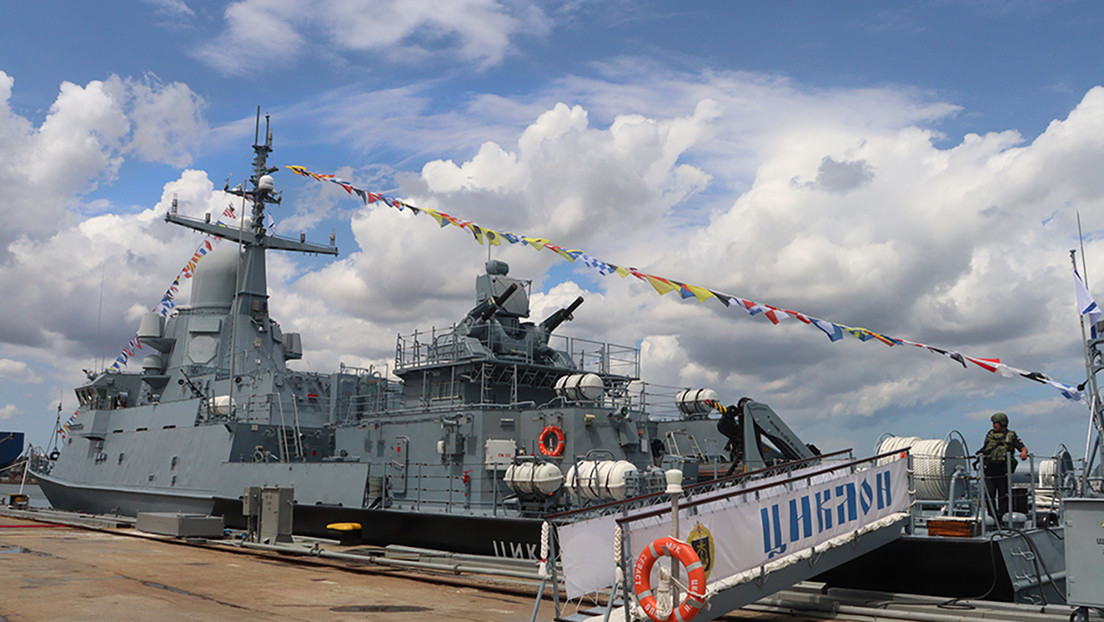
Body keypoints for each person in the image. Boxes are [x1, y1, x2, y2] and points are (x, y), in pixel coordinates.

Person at [977, 411, 1028, 527]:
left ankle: (1004, 519)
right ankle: (992, 518)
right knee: (989, 496)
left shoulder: (1011, 435)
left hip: (1003, 471)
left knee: (1003, 496)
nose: (994, 425)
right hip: (989, 470)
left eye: (996, 423)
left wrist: (1024, 453)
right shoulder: (990, 435)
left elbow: (1022, 447)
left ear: (1002, 423)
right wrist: (981, 459)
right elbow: (985, 448)